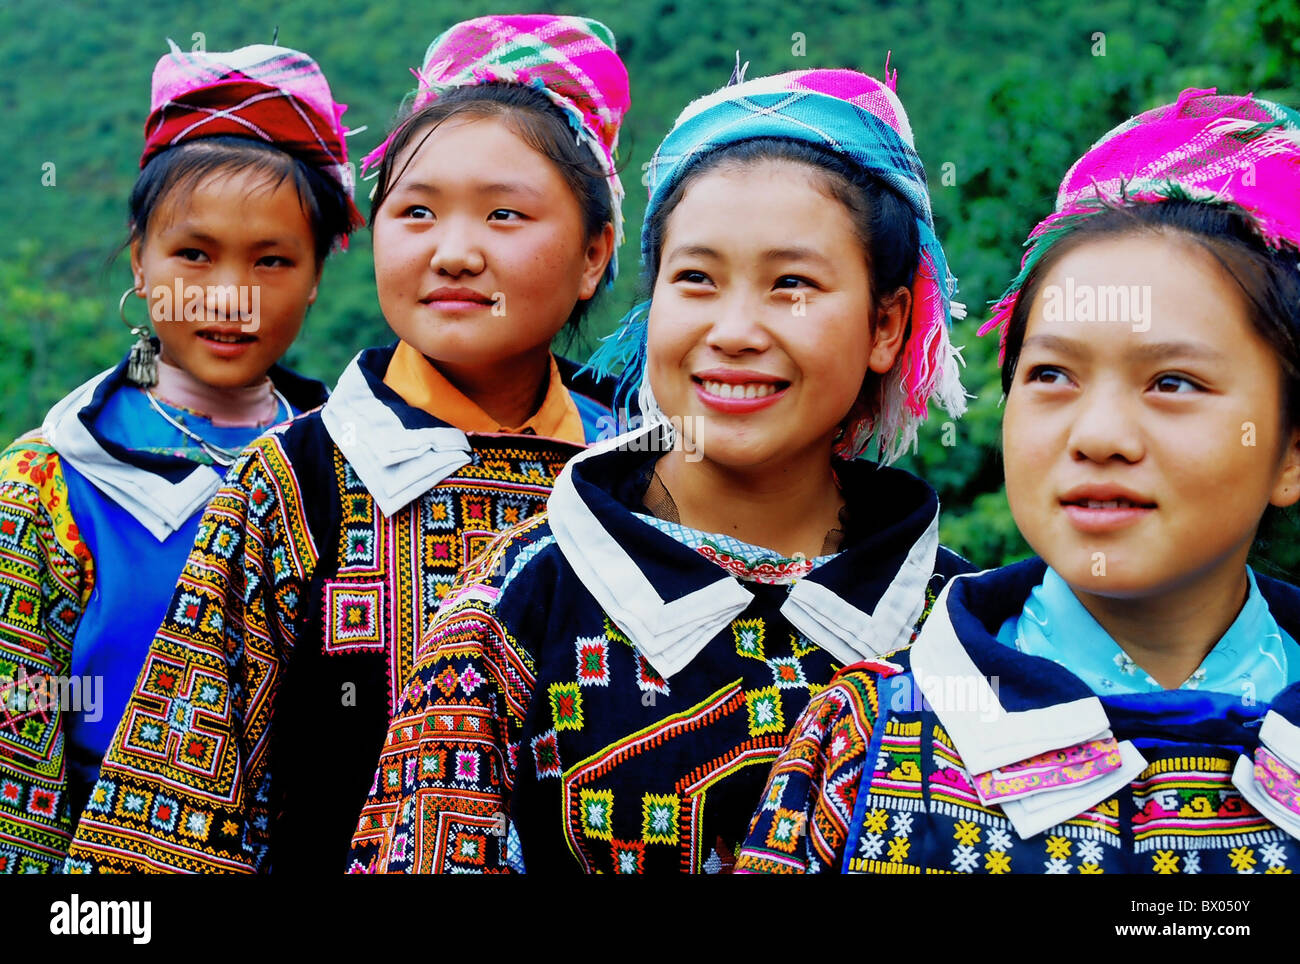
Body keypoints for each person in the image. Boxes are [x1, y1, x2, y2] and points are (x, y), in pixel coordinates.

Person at [348, 65, 971, 874]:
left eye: (792, 285)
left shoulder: (960, 629)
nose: (735, 330)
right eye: (696, 280)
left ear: (887, 324)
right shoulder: (514, 605)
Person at [64, 14, 629, 874]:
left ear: (595, 253)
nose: (454, 252)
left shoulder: (648, 483)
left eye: (506, 214)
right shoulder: (293, 485)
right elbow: (168, 829)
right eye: (416, 211)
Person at [736, 88, 1300, 874]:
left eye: (1172, 382)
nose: (1097, 436)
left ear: (1290, 453)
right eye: (1052, 374)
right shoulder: (864, 739)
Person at [0, 40, 360, 874]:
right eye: (193, 255)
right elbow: (17, 748)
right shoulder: (47, 487)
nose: (229, 295)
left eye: (273, 261)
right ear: (139, 261)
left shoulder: (356, 471)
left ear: (315, 279)